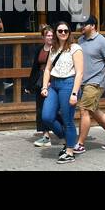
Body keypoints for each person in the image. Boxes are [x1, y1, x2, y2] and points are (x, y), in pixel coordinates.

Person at [39, 21, 85, 163]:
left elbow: (79, 73)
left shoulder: (75, 48)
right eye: (60, 31)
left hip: (69, 84)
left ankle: (70, 152)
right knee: (46, 117)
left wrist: (74, 93)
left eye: (66, 31)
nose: (63, 33)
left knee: (67, 120)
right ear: (56, 33)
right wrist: (44, 87)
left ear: (69, 32)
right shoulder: (53, 48)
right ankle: (68, 139)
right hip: (54, 84)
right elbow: (47, 69)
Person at [75, 15, 105, 152]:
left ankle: (80, 144)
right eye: (81, 24)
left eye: (85, 24)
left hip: (96, 82)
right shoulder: (80, 40)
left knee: (84, 110)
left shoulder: (102, 42)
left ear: (93, 26)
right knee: (94, 111)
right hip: (83, 82)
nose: (82, 27)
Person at [30, 24, 55, 146]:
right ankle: (45, 135)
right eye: (47, 35)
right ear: (43, 37)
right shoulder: (39, 49)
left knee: (55, 109)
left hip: (53, 80)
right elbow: (34, 67)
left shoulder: (57, 49)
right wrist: (29, 85)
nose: (50, 37)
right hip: (40, 79)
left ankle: (63, 132)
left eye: (51, 35)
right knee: (40, 108)